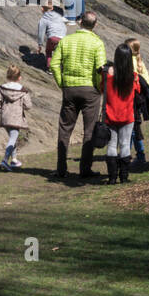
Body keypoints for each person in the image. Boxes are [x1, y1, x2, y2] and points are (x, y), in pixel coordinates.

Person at [49, 10, 107, 180]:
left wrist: (62, 83)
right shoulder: (97, 43)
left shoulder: (66, 40)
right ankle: (85, 168)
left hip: (70, 88)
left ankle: (61, 168)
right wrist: (98, 86)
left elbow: (54, 65)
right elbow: (100, 69)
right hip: (90, 90)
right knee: (89, 130)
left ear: (80, 22)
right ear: (94, 25)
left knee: (65, 129)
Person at [103, 43, 139, 185]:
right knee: (125, 145)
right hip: (127, 116)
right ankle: (124, 177)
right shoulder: (133, 77)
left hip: (110, 116)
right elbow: (138, 91)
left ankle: (112, 178)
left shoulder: (106, 75)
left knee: (111, 146)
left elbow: (101, 89)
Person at [0, 66, 32, 171]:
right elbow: (28, 106)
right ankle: (5, 159)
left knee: (12, 137)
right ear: (19, 77)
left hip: (5, 116)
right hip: (16, 117)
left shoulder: (2, 88)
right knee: (13, 138)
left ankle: (14, 160)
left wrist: (2, 108)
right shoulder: (23, 90)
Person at [125, 37, 149, 166]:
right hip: (139, 99)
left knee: (131, 129)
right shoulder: (140, 62)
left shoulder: (129, 63)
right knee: (135, 128)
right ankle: (136, 154)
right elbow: (147, 81)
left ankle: (130, 155)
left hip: (132, 99)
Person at [37, 0, 67, 68]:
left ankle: (50, 68)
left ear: (42, 9)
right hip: (63, 37)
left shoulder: (43, 19)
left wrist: (40, 44)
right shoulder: (59, 16)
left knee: (48, 51)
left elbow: (41, 33)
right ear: (52, 8)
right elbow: (64, 24)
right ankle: (62, 65)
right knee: (60, 52)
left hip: (53, 37)